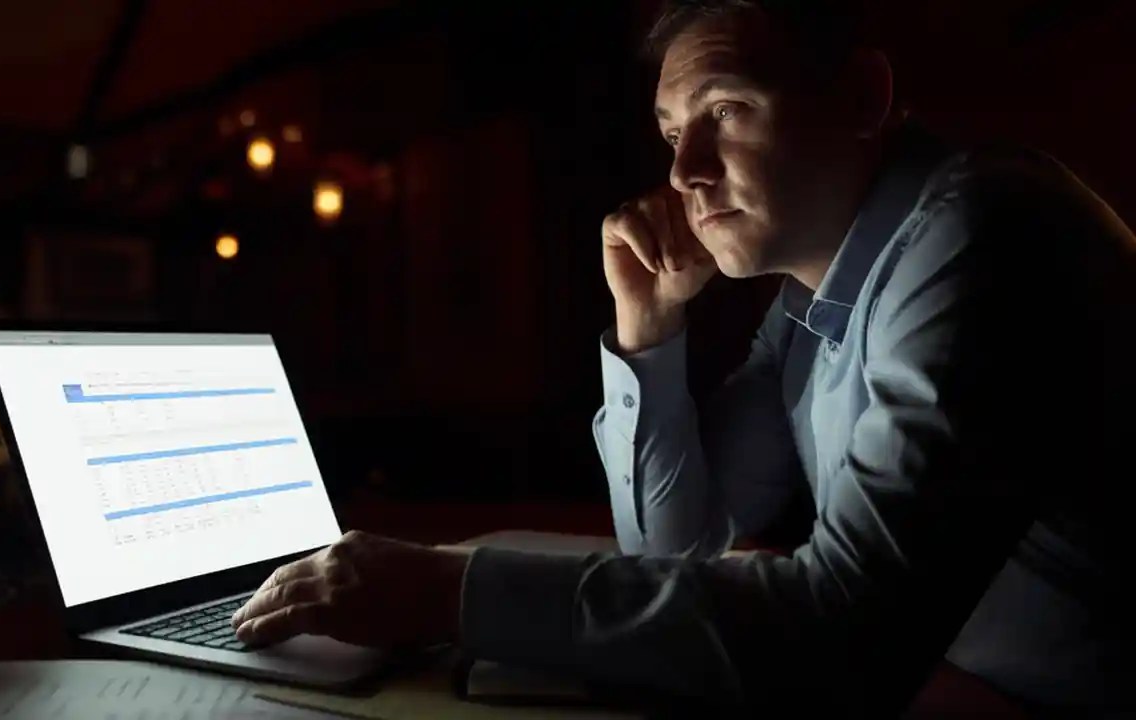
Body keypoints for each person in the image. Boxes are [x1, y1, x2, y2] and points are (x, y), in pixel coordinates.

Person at [230, 0, 1129, 714]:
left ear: (863, 97)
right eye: (670, 134)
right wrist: (648, 330)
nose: (685, 172)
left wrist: (451, 593)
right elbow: (683, 548)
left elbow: (843, 635)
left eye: (726, 110)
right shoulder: (815, 299)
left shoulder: (980, 237)